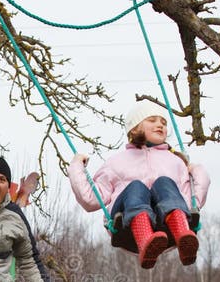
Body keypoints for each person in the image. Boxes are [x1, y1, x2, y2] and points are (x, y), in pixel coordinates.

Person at [68, 99, 210, 269]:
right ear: (134, 129)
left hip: (166, 225)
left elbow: (193, 198)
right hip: (127, 225)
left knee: (164, 183)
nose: (160, 125)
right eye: (152, 120)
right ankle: (145, 239)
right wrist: (77, 166)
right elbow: (90, 199)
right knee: (136, 187)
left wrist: (196, 170)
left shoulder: (175, 162)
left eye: (163, 122)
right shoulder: (116, 162)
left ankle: (182, 234)